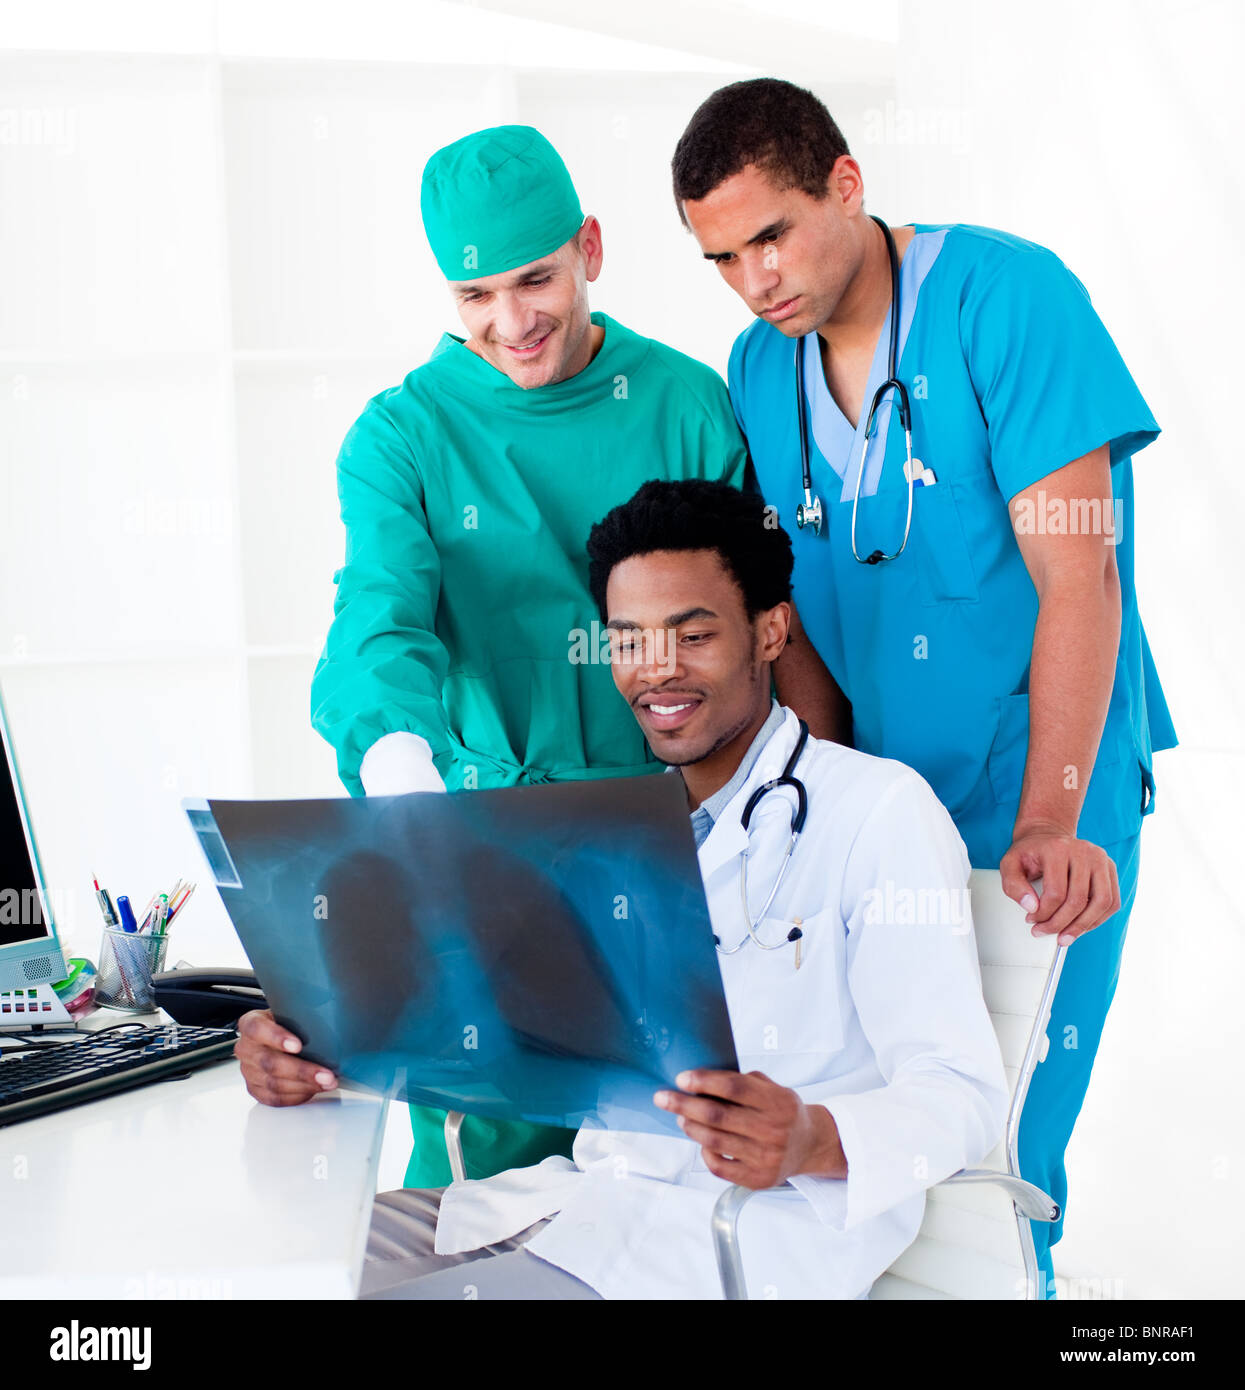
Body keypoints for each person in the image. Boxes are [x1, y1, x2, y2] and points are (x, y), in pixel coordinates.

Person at [669, 77, 1178, 1294]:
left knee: (994, 1159)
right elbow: (807, 633)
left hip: (1038, 791)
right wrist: (796, 818)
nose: (756, 281)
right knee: (866, 1151)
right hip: (880, 814)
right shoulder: (758, 368)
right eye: (723, 257)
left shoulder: (1009, 301)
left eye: (773, 235)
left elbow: (1079, 577)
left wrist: (1055, 814)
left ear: (846, 183)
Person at [325, 477, 1003, 1299]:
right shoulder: (618, 831)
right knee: (289, 1261)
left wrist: (811, 1140)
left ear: (769, 631)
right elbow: (510, 1037)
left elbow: (960, 1096)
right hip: (579, 1205)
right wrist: (325, 1053)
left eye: (692, 635)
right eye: (629, 639)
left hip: (735, 1244)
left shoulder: (876, 811)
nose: (657, 672)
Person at [307, 124, 763, 1190]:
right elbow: (379, 617)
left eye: (536, 280)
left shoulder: (684, 404)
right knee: (480, 1204)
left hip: (677, 856)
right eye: (476, 299)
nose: (512, 323)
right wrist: (403, 781)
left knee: (669, 1178)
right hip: (488, 864)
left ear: (590, 249)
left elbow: (748, 632)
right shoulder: (404, 436)